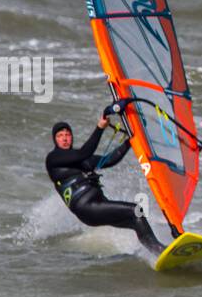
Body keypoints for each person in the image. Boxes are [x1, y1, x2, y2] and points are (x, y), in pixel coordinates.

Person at [45, 105, 163, 255]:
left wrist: (130, 141)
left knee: (135, 219)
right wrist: (100, 127)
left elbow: (109, 160)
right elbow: (85, 152)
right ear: (55, 140)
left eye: (68, 134)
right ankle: (157, 249)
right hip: (87, 207)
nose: (65, 138)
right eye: (60, 135)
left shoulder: (81, 160)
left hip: (99, 204)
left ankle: (154, 252)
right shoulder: (54, 158)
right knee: (135, 210)